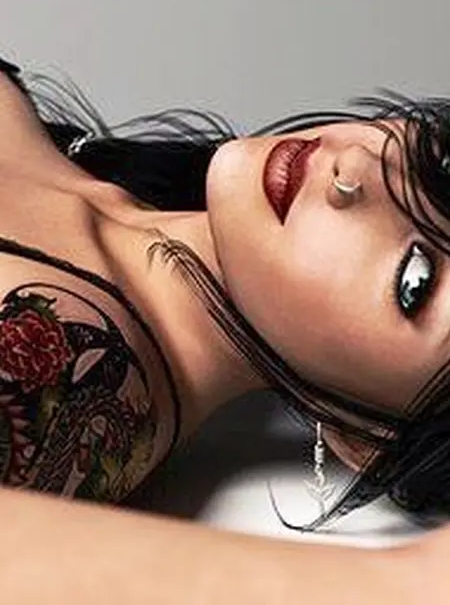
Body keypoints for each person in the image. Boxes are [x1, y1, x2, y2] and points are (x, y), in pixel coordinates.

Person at [0, 54, 447, 602]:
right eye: (444, 166)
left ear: (367, 438)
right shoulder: (91, 184)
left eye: (414, 280)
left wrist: (407, 583)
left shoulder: (72, 358)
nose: (355, 167)